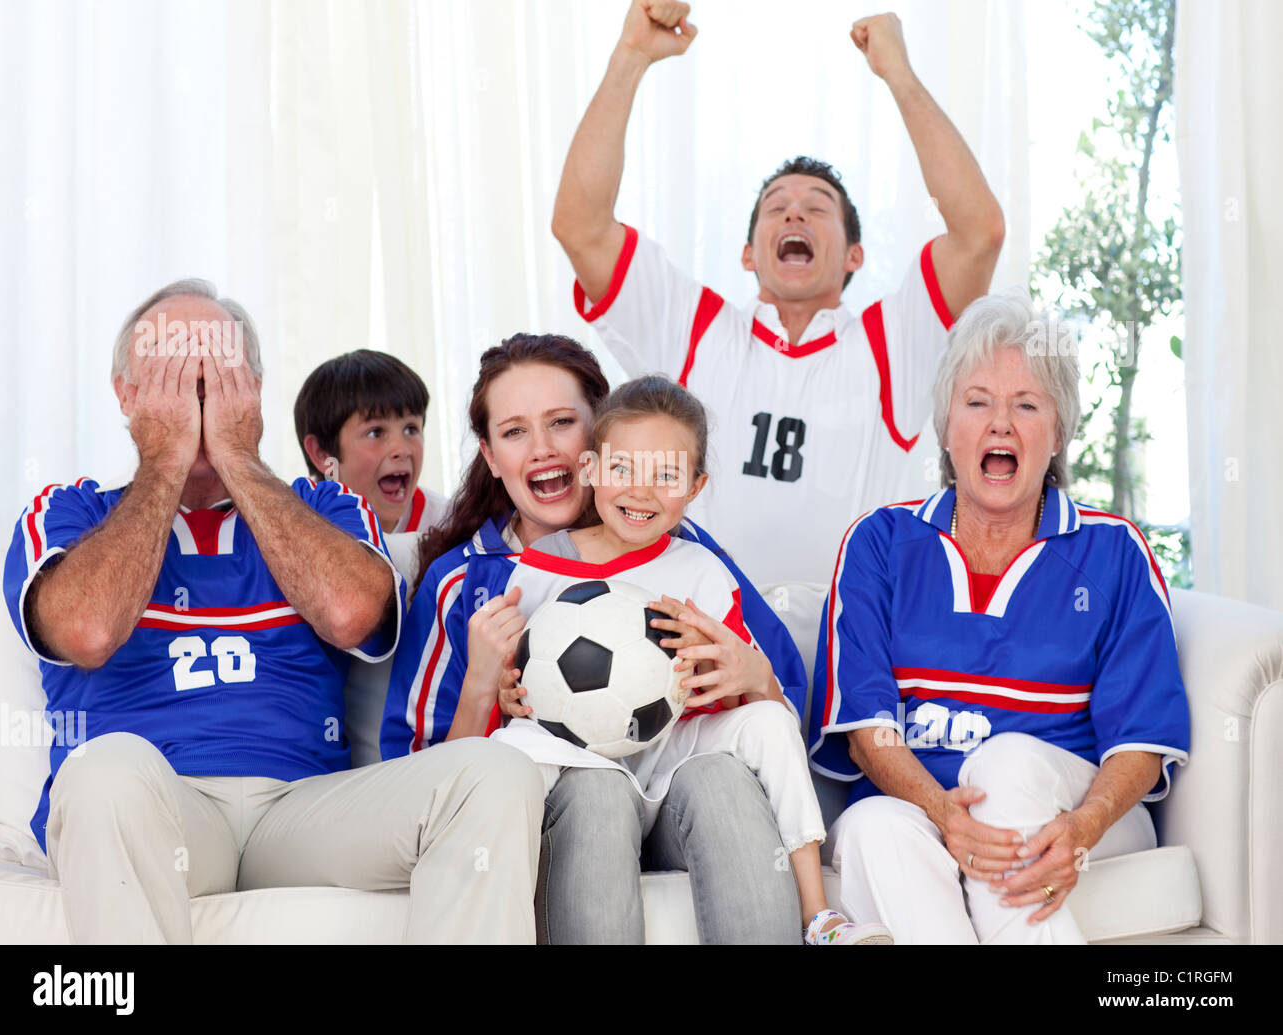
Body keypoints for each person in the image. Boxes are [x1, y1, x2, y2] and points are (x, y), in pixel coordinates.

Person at [3, 279, 543, 944]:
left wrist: (237, 458)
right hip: (153, 806)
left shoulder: (328, 506)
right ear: (126, 395)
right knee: (101, 772)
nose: (197, 395)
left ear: (252, 391)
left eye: (216, 374)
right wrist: (165, 465)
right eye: (173, 373)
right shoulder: (70, 510)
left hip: (299, 811)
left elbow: (351, 615)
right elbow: (86, 630)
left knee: (495, 773)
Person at [552, 2, 1006, 586]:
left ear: (853, 257)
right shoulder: (696, 327)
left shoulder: (891, 340)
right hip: (696, 639)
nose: (795, 210)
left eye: (817, 207)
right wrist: (631, 56)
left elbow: (979, 232)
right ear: (748, 254)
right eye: (776, 207)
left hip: (847, 643)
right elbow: (579, 226)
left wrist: (899, 73)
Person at [379, 333, 808, 944]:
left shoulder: (684, 555)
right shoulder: (464, 582)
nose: (544, 450)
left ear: (601, 434)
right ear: (492, 456)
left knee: (720, 778)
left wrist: (749, 675)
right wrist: (483, 690)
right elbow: (415, 789)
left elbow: (781, 709)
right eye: (515, 432)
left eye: (561, 422)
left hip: (673, 805)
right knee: (598, 793)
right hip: (564, 810)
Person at [808, 289, 1191, 944]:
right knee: (874, 828)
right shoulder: (880, 542)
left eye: (1027, 405)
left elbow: (1142, 743)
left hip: (1068, 806)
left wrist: (1083, 827)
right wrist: (942, 812)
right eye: (978, 401)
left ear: (1059, 432)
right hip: (917, 801)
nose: (1000, 424)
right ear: (947, 427)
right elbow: (867, 731)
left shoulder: (1111, 552)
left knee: (1005, 764)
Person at [493, 375, 892, 945]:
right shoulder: (540, 568)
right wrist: (511, 696)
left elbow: (730, 688)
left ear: (696, 486)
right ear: (592, 470)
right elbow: (518, 677)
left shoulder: (702, 570)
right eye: (623, 468)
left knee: (770, 720)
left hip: (677, 758)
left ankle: (818, 913)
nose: (642, 491)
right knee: (510, 750)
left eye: (667, 475)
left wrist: (748, 677)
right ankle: (494, 906)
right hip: (587, 767)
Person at [294, 349, 450, 542]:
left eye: (411, 429)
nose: (401, 450)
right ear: (322, 454)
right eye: (375, 432)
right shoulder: (294, 526)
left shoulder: (447, 525)